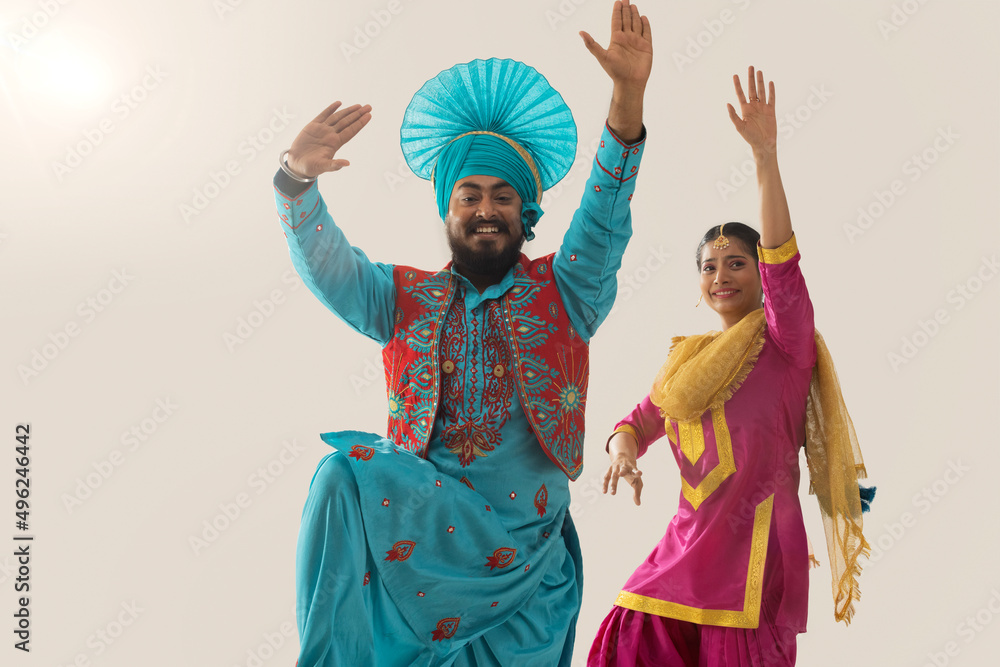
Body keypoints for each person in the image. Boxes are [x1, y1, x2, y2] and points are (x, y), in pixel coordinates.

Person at [272, 2, 652, 664]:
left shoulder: (567, 292)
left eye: (503, 195)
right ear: (448, 209)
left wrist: (627, 97)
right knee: (341, 473)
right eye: (469, 194)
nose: (484, 207)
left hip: (526, 563)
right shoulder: (402, 297)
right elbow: (328, 267)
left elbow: (603, 214)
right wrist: (294, 180)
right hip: (426, 542)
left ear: (525, 213)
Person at [588, 67, 872, 666]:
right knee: (625, 643)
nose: (722, 276)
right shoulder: (687, 365)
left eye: (737, 263)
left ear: (758, 276)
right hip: (683, 550)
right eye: (710, 267)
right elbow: (637, 421)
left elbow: (783, 265)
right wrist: (624, 454)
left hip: (755, 558)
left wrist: (765, 158)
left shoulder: (785, 344)